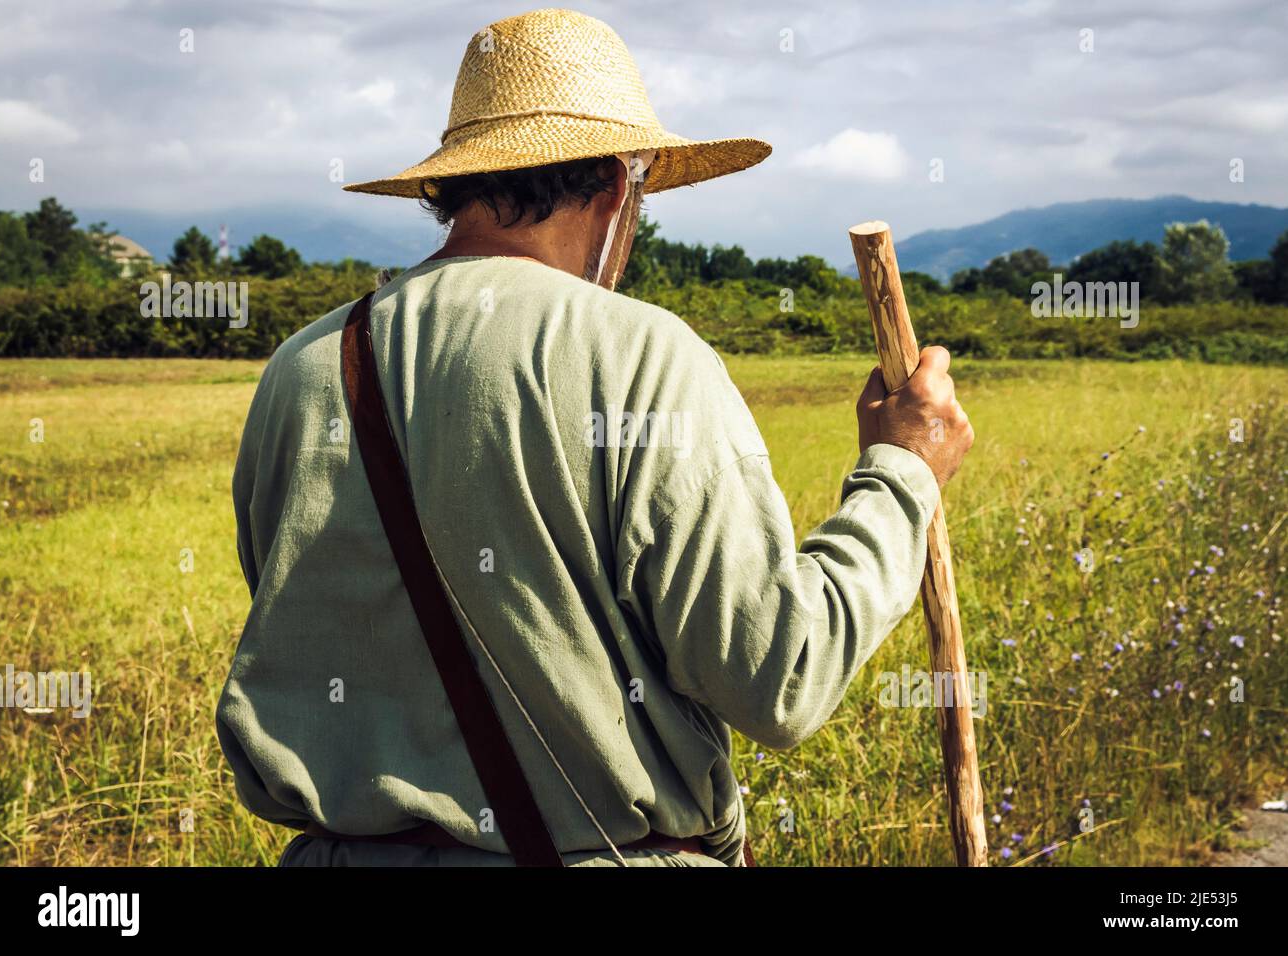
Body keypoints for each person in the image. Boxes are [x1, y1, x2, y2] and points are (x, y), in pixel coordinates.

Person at [216, 8, 974, 867]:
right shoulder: (641, 352)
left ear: (453, 186)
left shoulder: (303, 366)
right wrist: (902, 474)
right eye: (643, 193)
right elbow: (777, 674)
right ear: (620, 186)